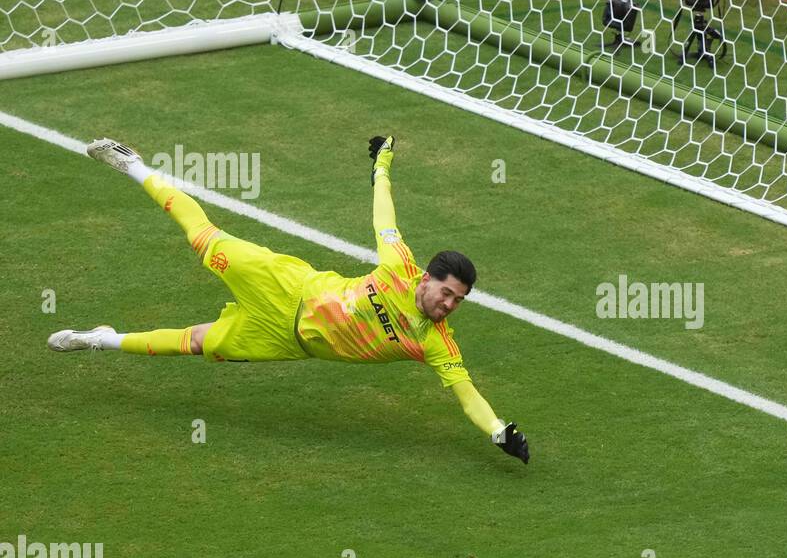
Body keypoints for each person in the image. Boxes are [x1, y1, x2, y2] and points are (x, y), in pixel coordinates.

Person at [48, 135, 530, 464]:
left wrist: (497, 431)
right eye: (446, 293)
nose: (449, 306)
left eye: (458, 302)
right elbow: (385, 213)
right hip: (284, 284)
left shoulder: (436, 344)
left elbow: (468, 395)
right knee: (202, 237)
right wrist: (382, 162)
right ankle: (133, 165)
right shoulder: (398, 266)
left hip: (284, 339)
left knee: (196, 343)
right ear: (427, 278)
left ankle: (101, 340)